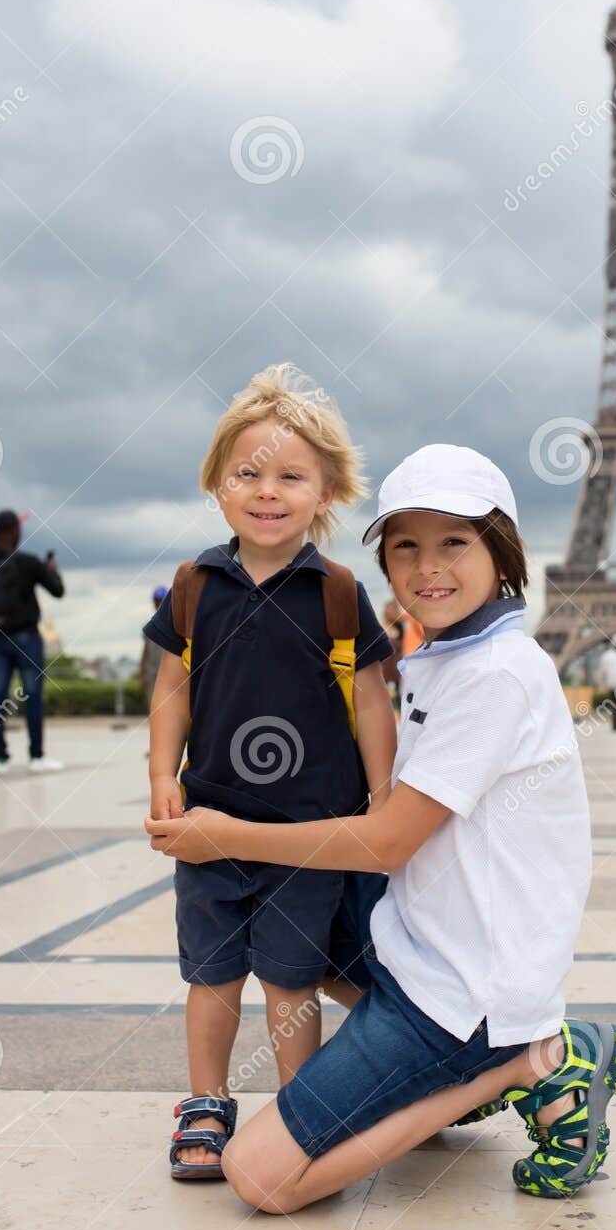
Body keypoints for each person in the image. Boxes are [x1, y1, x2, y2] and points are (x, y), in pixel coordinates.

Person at [146, 443, 616, 1211]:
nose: (426, 566)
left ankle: (519, 1061)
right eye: (406, 545)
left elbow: (391, 839)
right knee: (288, 931)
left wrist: (226, 835)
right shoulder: (445, 652)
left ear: (501, 552)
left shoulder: (495, 673)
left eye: (453, 543)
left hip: (464, 991)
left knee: (261, 1178)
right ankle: (457, 1074)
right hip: (421, 938)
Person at [142, 364, 397, 1180]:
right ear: (218, 484)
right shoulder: (194, 587)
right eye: (248, 472)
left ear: (325, 494)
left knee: (292, 983)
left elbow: (369, 702)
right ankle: (206, 1103)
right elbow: (171, 694)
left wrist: (384, 796)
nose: (267, 490)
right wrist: (161, 777)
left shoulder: (338, 591)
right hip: (209, 822)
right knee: (211, 976)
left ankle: (297, 1108)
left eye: (291, 476)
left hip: (309, 832)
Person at [0, 509, 65, 772]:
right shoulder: (27, 562)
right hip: (27, 638)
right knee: (32, 694)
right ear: (14, 531)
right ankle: (36, 756)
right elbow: (57, 591)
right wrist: (53, 572)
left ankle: (1, 757)